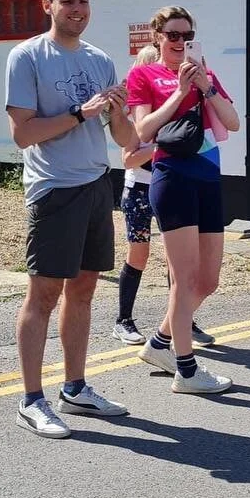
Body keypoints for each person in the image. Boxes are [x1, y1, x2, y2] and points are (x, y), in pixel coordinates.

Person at [6, 0, 138, 439]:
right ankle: (31, 399)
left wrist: (120, 113)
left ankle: (76, 388)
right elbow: (23, 134)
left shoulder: (101, 60)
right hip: (53, 188)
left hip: (96, 184)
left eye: (83, 1)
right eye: (67, 2)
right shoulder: (27, 57)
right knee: (43, 294)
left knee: (83, 290)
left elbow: (125, 138)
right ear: (47, 5)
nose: (77, 10)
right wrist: (79, 112)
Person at [128, 6, 241, 394]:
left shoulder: (204, 74)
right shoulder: (143, 74)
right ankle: (186, 370)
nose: (180, 42)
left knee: (207, 281)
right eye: (173, 35)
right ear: (157, 36)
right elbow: (142, 129)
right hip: (172, 177)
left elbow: (232, 121)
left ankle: (159, 344)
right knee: (185, 277)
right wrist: (178, 92)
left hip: (208, 177)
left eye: (186, 35)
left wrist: (204, 87)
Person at [112, 45, 159, 345]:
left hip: (169, 187)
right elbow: (127, 159)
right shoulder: (133, 112)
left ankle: (182, 319)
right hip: (139, 188)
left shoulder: (171, 106)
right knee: (139, 254)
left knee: (179, 259)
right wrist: (160, 146)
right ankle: (123, 320)